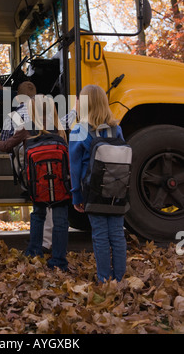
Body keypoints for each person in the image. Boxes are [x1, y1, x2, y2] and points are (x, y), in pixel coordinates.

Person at [0, 94, 70, 271]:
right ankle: (59, 261)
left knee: (38, 215)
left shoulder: (26, 128)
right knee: (60, 221)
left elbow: (6, 146)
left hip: (37, 184)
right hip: (60, 184)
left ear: (31, 110)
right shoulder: (60, 128)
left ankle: (34, 252)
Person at [69, 84, 127, 283]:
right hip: (117, 188)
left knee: (100, 234)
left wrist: (76, 196)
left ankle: (104, 278)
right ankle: (120, 278)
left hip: (92, 191)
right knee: (117, 234)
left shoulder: (79, 130)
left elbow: (75, 168)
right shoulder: (116, 128)